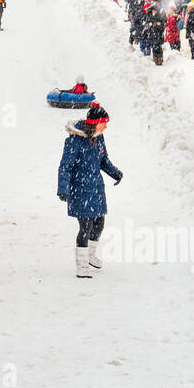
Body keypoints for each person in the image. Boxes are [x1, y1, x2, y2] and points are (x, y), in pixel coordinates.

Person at [56, 104, 123, 278]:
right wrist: (63, 188)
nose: (106, 126)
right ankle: (81, 265)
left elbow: (103, 160)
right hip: (80, 188)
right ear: (96, 123)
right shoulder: (74, 140)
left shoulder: (99, 137)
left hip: (96, 188)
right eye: (104, 123)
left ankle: (91, 255)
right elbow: (65, 166)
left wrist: (115, 173)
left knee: (99, 224)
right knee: (85, 227)